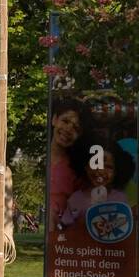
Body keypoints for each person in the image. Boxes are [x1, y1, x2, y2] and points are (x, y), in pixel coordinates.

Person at [59, 137, 134, 228]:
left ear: (117, 171)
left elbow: (125, 226)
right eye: (96, 163)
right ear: (85, 166)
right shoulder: (75, 199)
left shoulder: (121, 199)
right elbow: (65, 228)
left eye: (108, 167)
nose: (101, 171)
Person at [48, 94, 85, 229]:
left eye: (76, 128)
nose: (68, 129)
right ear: (54, 120)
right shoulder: (40, 160)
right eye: (65, 121)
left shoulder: (76, 171)